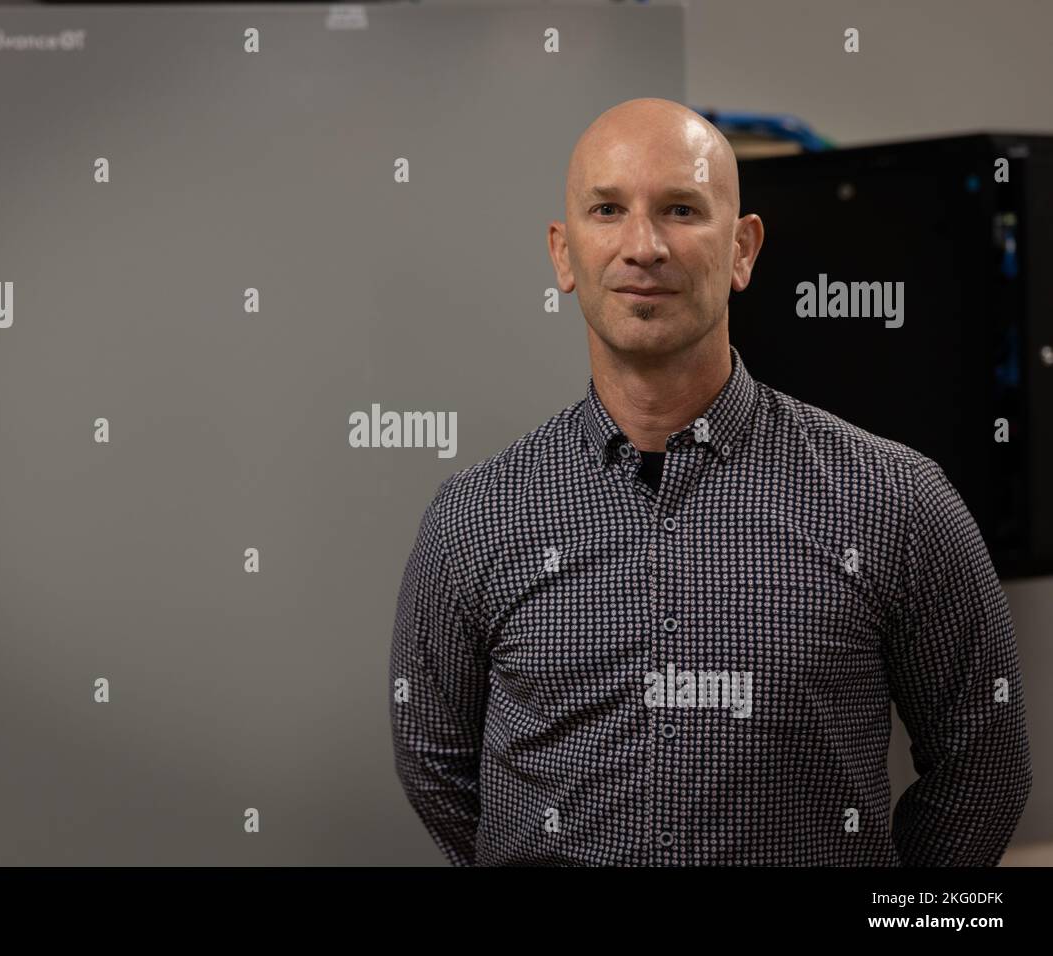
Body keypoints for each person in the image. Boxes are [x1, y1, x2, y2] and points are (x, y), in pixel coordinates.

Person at [388, 97, 1032, 866]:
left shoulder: (895, 501)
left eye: (682, 209)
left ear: (742, 249)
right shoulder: (475, 518)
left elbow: (984, 764)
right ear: (563, 254)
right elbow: (433, 761)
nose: (644, 246)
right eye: (607, 210)